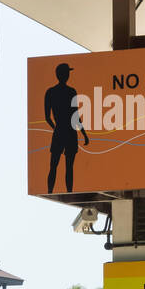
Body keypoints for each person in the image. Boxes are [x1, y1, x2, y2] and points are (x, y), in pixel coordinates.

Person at [45, 61, 89, 194]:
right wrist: (84, 134)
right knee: (67, 167)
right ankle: (68, 193)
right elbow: (75, 116)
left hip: (60, 131)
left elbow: (48, 117)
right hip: (69, 132)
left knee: (54, 166)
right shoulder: (71, 92)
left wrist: (56, 128)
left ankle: (50, 192)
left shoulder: (50, 92)